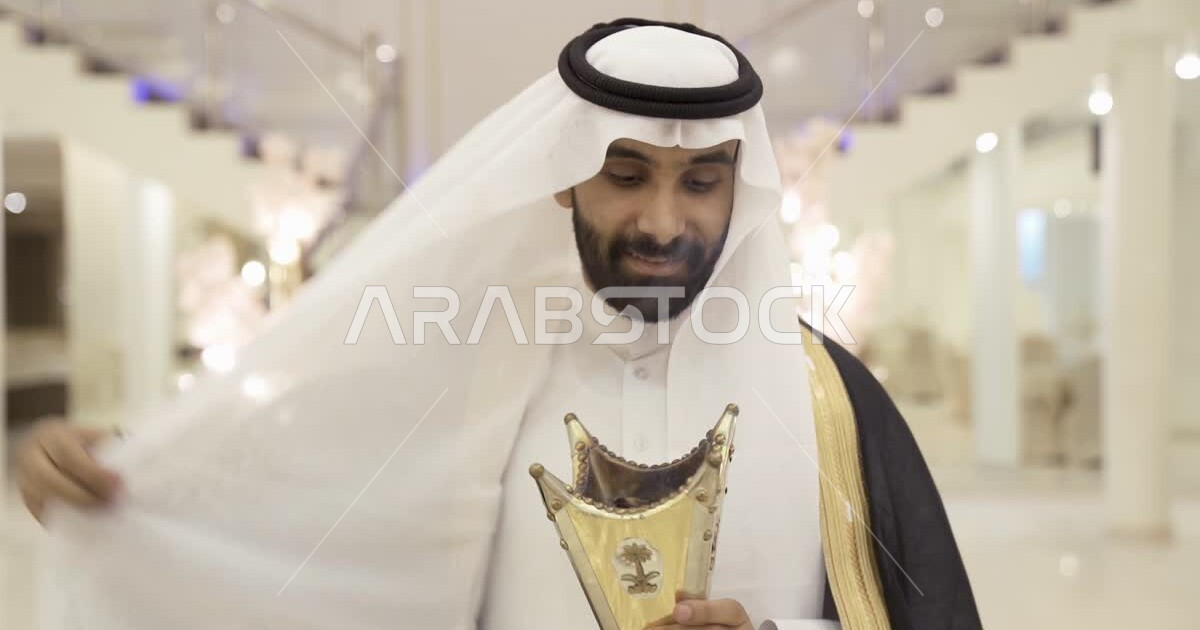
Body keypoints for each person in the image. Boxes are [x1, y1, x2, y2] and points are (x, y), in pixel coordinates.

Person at [16, 18, 981, 630]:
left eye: (701, 180)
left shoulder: (830, 404)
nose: (661, 222)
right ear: (567, 178)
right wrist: (124, 479)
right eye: (626, 173)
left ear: (744, 186)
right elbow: (277, 515)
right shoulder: (466, 369)